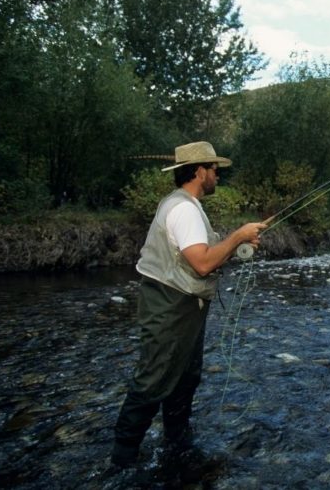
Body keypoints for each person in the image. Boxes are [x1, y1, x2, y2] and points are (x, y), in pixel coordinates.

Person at [110, 141, 266, 470]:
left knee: (185, 376)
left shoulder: (186, 205)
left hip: (182, 305)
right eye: (214, 170)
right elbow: (202, 264)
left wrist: (235, 243)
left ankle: (177, 442)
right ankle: (121, 460)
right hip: (170, 307)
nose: (217, 176)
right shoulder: (183, 209)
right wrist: (237, 237)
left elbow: (204, 255)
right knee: (153, 379)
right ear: (198, 171)